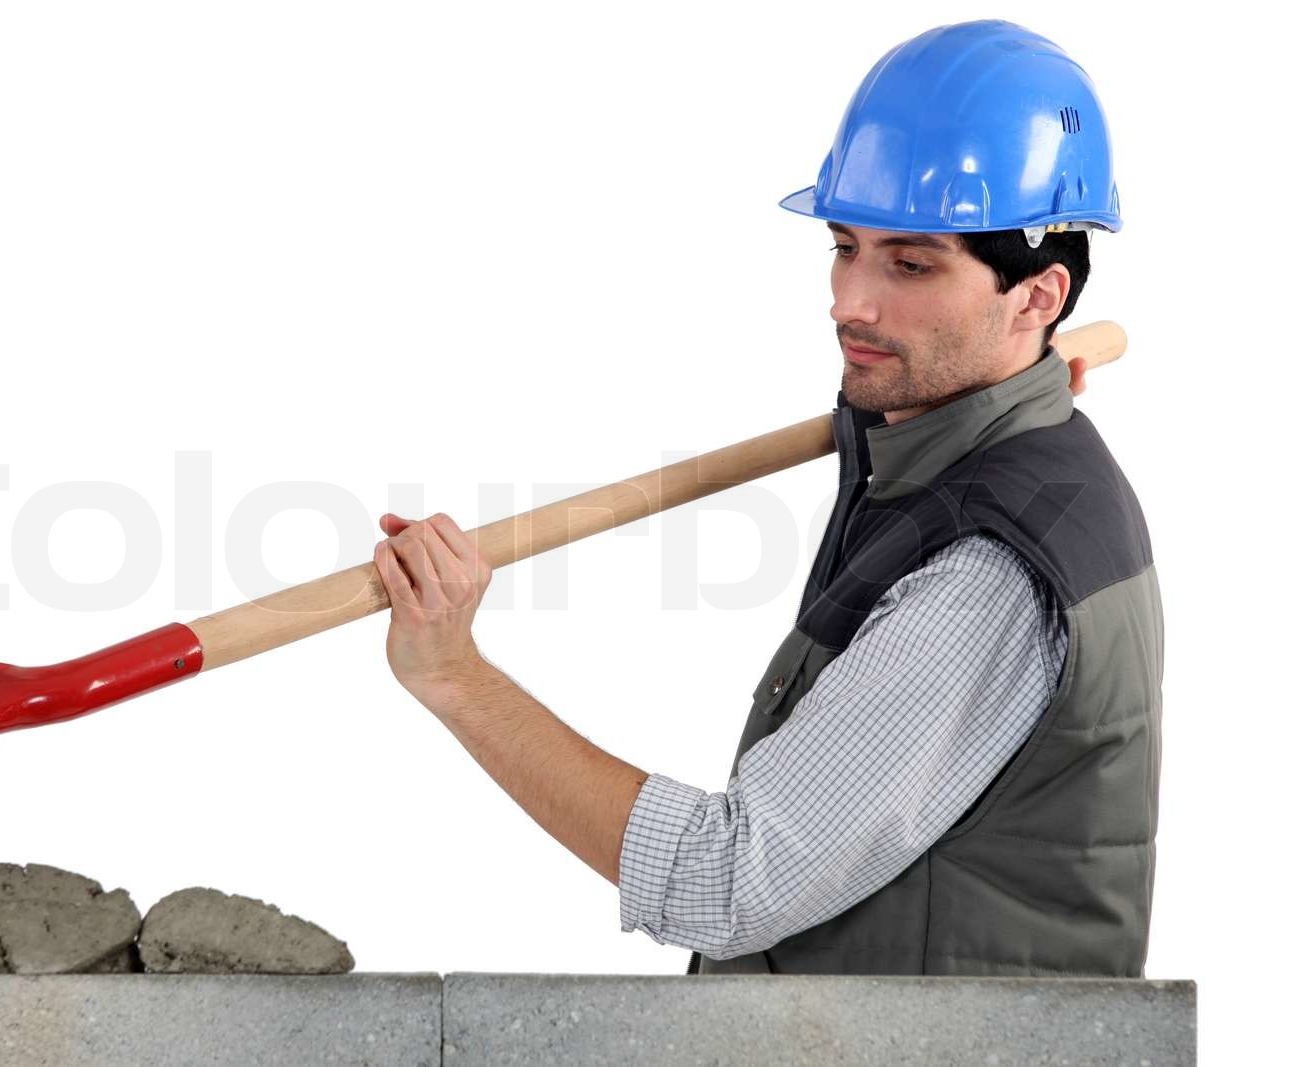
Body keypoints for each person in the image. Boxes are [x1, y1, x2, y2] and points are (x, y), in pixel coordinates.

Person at [370, 19, 1162, 977]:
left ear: (1038, 298)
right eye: (843, 246)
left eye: (910, 264)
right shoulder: (941, 443)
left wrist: (455, 674)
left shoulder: (989, 566)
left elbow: (727, 882)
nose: (849, 302)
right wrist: (998, 397)